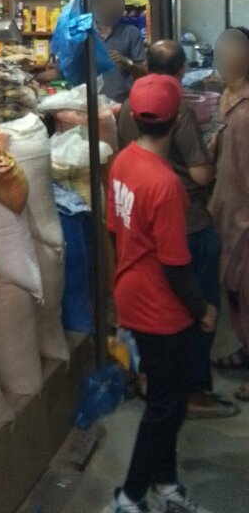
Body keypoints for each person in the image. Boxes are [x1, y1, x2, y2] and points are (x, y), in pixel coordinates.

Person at [108, 74, 217, 513]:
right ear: (176, 121)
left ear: (134, 118)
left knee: (162, 399)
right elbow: (175, 263)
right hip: (163, 307)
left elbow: (116, 232)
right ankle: (129, 497)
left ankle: (165, 484)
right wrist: (202, 309)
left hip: (132, 294)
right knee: (166, 409)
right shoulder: (167, 185)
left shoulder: (122, 162)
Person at [117, 40, 237, 419]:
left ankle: (152, 378)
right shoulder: (178, 115)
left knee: (162, 314)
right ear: (182, 71)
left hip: (141, 229)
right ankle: (194, 389)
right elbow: (201, 174)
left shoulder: (125, 112)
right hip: (188, 224)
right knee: (193, 308)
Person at [209, 27, 249, 404]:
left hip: (245, 218)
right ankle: (244, 350)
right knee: (235, 293)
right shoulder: (228, 96)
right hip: (228, 209)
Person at [94, 0, 146, 102]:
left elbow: (143, 73)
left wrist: (126, 62)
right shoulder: (85, 35)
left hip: (123, 104)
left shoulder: (131, 33)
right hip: (91, 106)